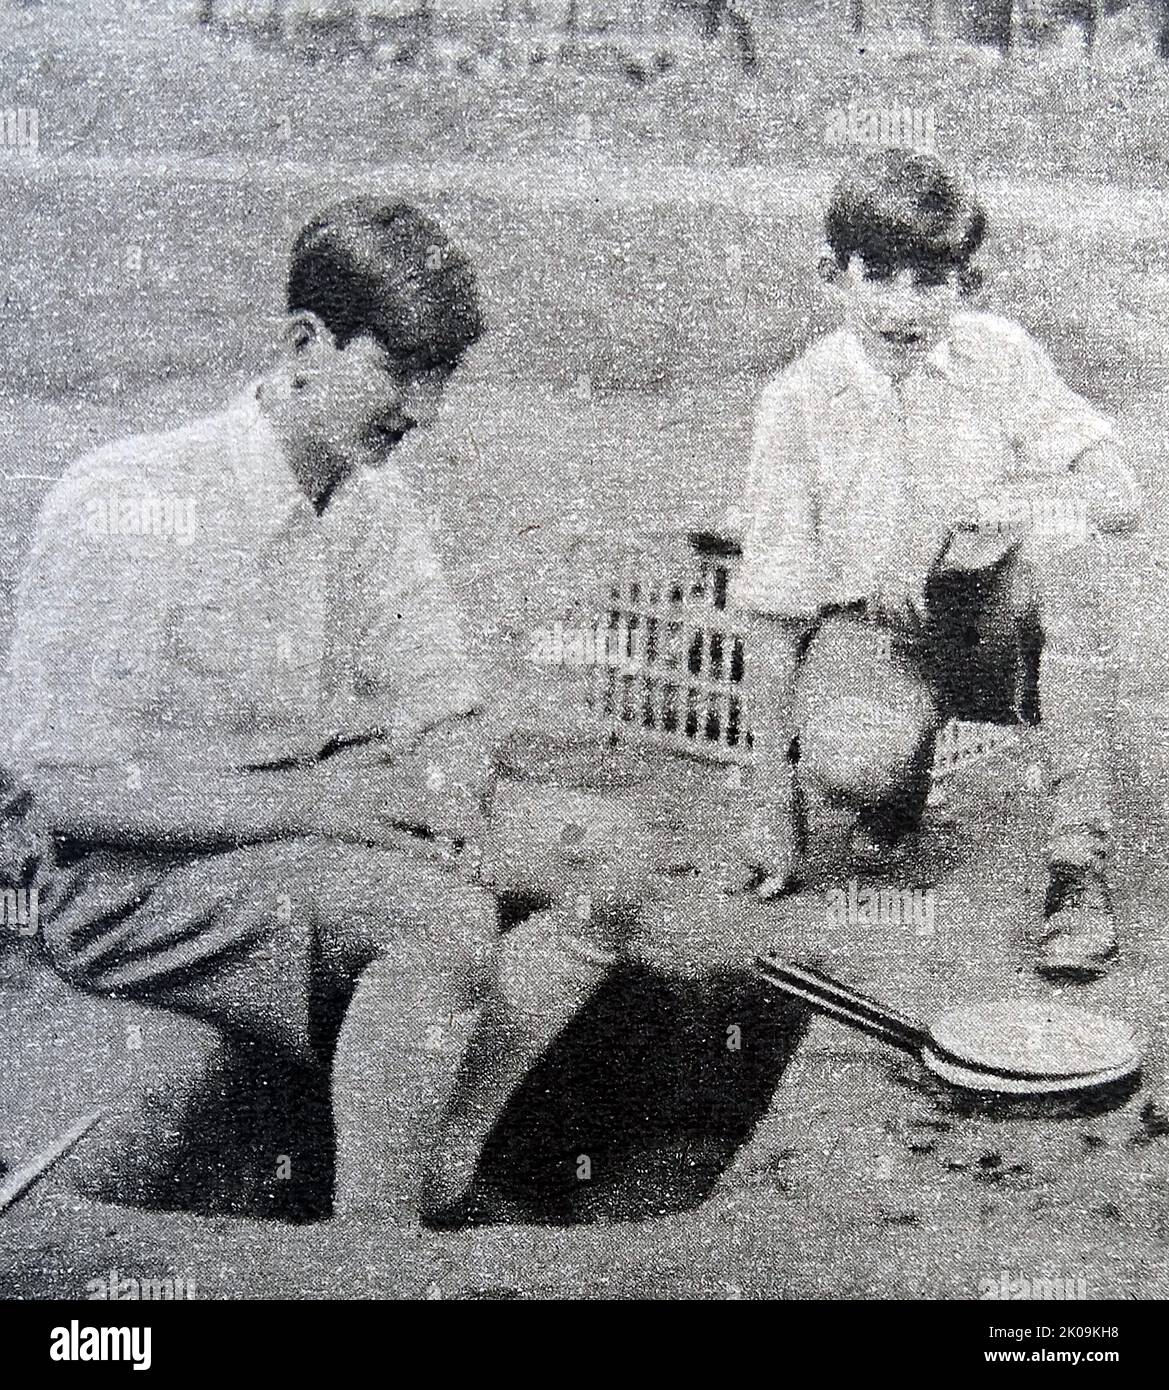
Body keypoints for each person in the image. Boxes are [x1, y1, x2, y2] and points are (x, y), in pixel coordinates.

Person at [5, 196, 502, 1220]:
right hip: (134, 885)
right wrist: (322, 807)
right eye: (399, 370)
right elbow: (65, 800)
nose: (425, 410)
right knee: (440, 919)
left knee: (602, 867)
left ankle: (442, 1143)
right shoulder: (130, 499)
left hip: (293, 831)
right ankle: (368, 1253)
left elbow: (445, 701)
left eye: (441, 375)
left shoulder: (370, 496)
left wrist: (452, 788)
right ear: (304, 342)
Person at [730, 150, 1141, 980]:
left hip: (991, 624)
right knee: (850, 768)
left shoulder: (1000, 355)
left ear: (970, 283)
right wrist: (770, 799)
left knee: (1067, 558)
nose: (901, 307)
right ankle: (902, 778)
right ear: (830, 274)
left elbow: (1119, 499)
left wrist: (974, 515)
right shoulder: (797, 402)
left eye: (931, 281)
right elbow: (773, 612)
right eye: (877, 276)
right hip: (884, 635)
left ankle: (1075, 868)